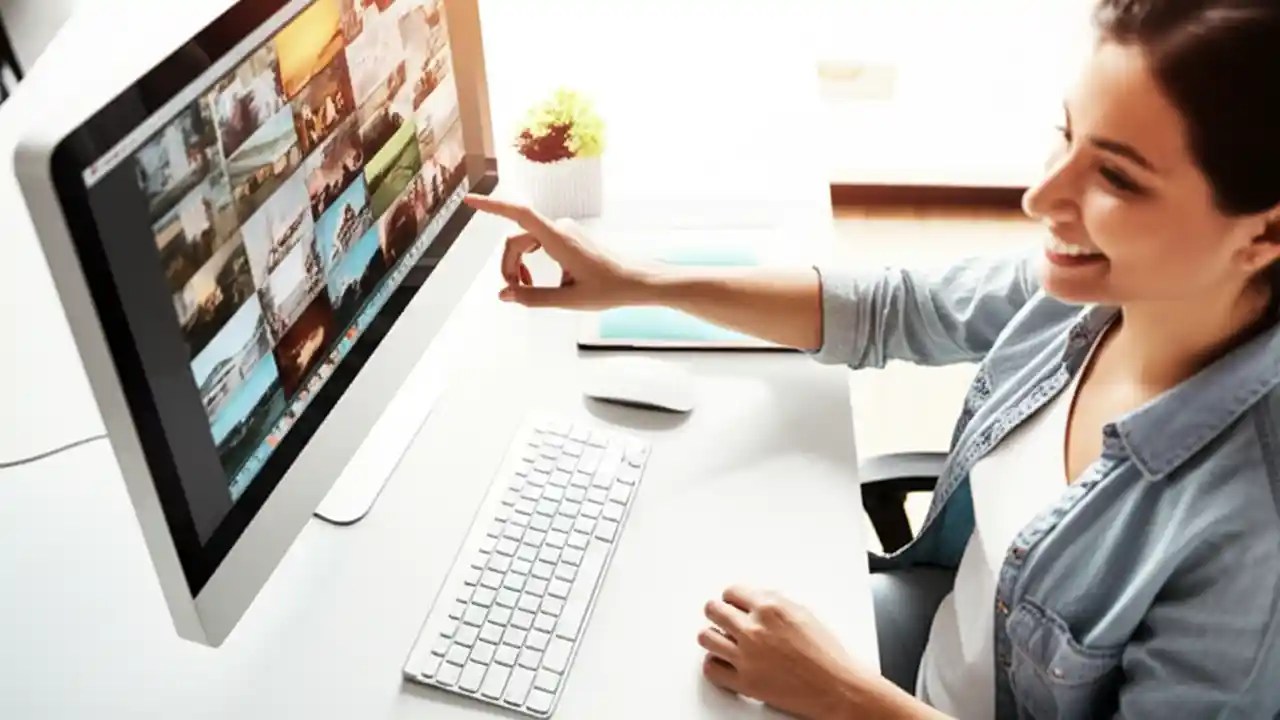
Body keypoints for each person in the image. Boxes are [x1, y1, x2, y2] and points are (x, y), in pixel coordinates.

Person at [463, 0, 1280, 716]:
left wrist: (844, 697)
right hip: (925, 653)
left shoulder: (1249, 542)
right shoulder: (1096, 294)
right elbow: (892, 307)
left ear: (1264, 234)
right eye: (1066, 136)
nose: (1040, 201)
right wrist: (636, 281)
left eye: (1117, 178)